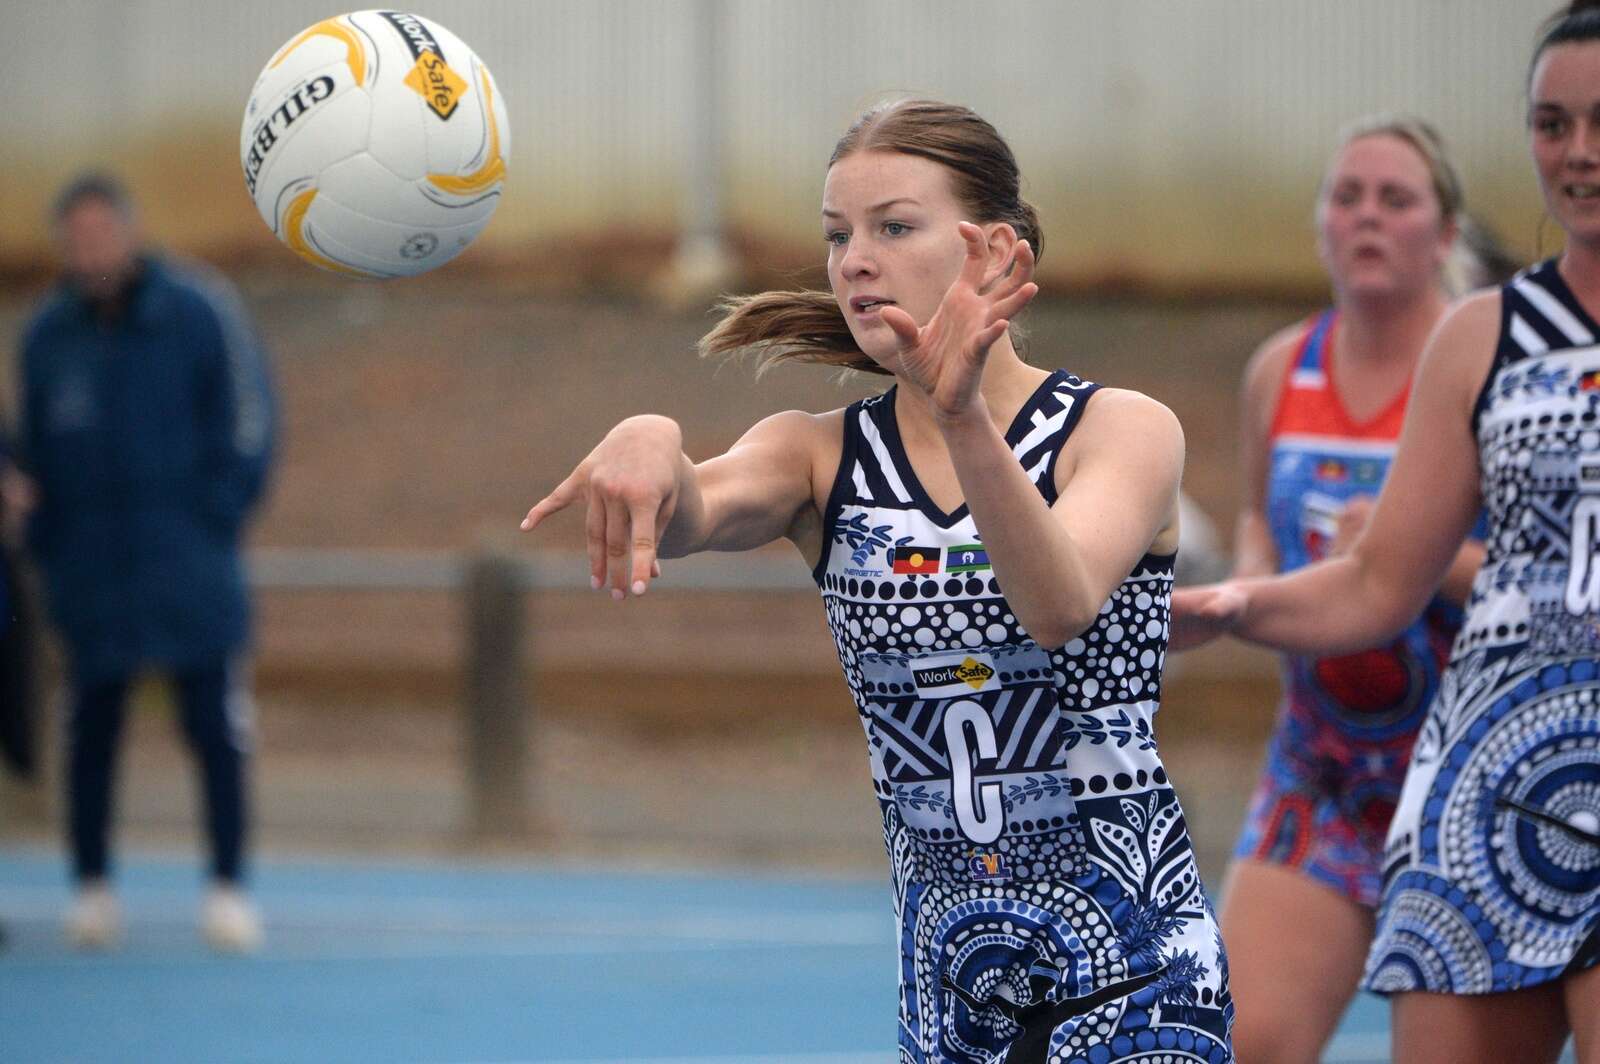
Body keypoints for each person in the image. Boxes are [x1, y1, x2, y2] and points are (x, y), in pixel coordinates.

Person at [523, 99, 1234, 1063]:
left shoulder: (1120, 429)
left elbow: (1060, 603)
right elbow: (692, 508)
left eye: (894, 227)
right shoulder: (818, 455)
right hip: (947, 988)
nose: (855, 259)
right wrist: (651, 439)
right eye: (837, 235)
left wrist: (966, 419)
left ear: (996, 252)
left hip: (1133, 970)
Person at [1172, 6, 1600, 1060]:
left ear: (1440, 226)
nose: (1577, 152)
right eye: (1550, 123)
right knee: (1250, 1037)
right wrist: (1230, 604)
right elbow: (1373, 582)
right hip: (1482, 789)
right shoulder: (1486, 336)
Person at [1214, 116, 1499, 1064]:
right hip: (1325, 775)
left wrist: (1415, 556)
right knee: (1237, 1041)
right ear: (1321, 225)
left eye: (1397, 199)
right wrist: (1250, 585)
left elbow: (1551, 580)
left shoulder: (1494, 375)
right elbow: (1258, 519)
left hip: (1471, 787)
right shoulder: (1280, 372)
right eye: (1348, 197)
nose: (1368, 218)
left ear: (1446, 234)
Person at [14, 173, 277, 953]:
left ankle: (228, 887)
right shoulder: (45, 336)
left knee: (215, 726)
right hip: (90, 574)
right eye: (77, 236)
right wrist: (50, 542)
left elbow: (251, 419)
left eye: (103, 232)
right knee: (89, 732)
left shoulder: (199, 309)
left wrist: (215, 520)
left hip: (188, 561)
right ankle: (92, 889)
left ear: (129, 233)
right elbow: (30, 451)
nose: (91, 248)